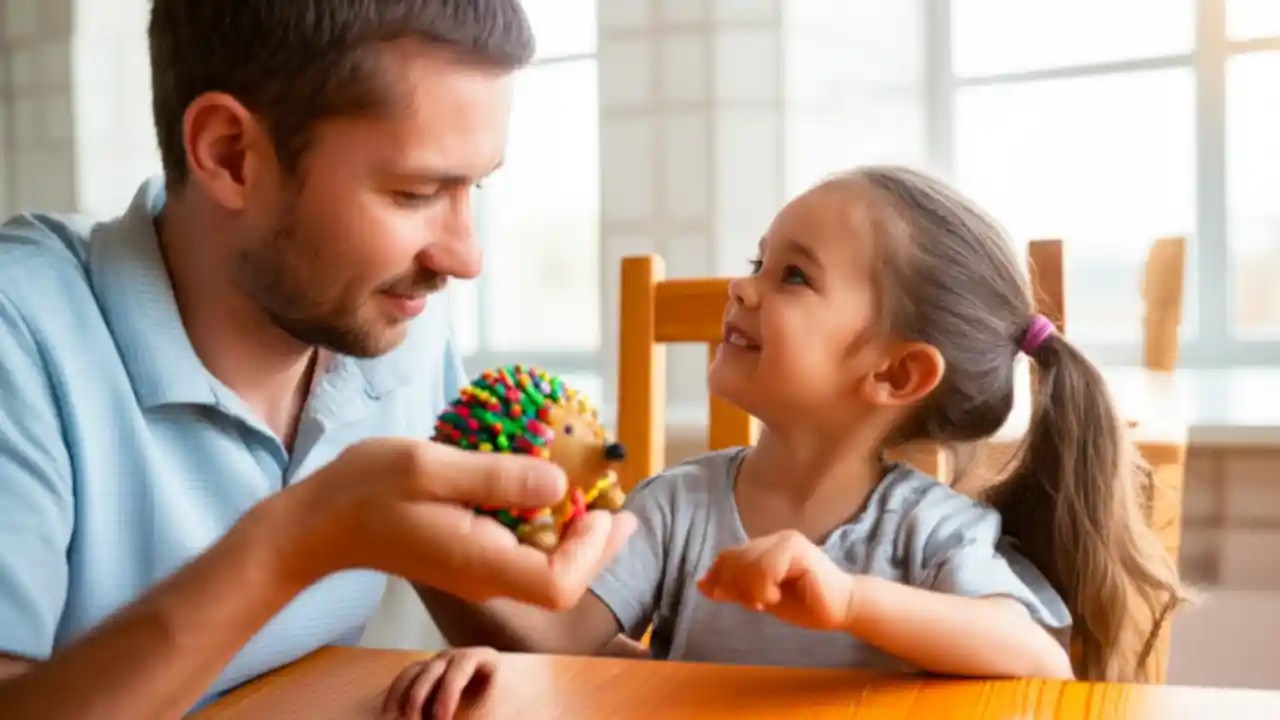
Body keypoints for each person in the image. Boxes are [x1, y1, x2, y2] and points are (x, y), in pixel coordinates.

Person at [0, 2, 635, 718]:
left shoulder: (390, 320)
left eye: (474, 187)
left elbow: (522, 620)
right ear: (231, 154)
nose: (465, 256)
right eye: (416, 193)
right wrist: (296, 541)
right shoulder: (20, 337)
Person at [396, 166, 1191, 719]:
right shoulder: (675, 506)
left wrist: (848, 600)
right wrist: (489, 649)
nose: (743, 286)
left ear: (898, 372)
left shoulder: (931, 531)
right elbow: (562, 641)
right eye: (758, 261)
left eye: (794, 277)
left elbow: (1039, 662)